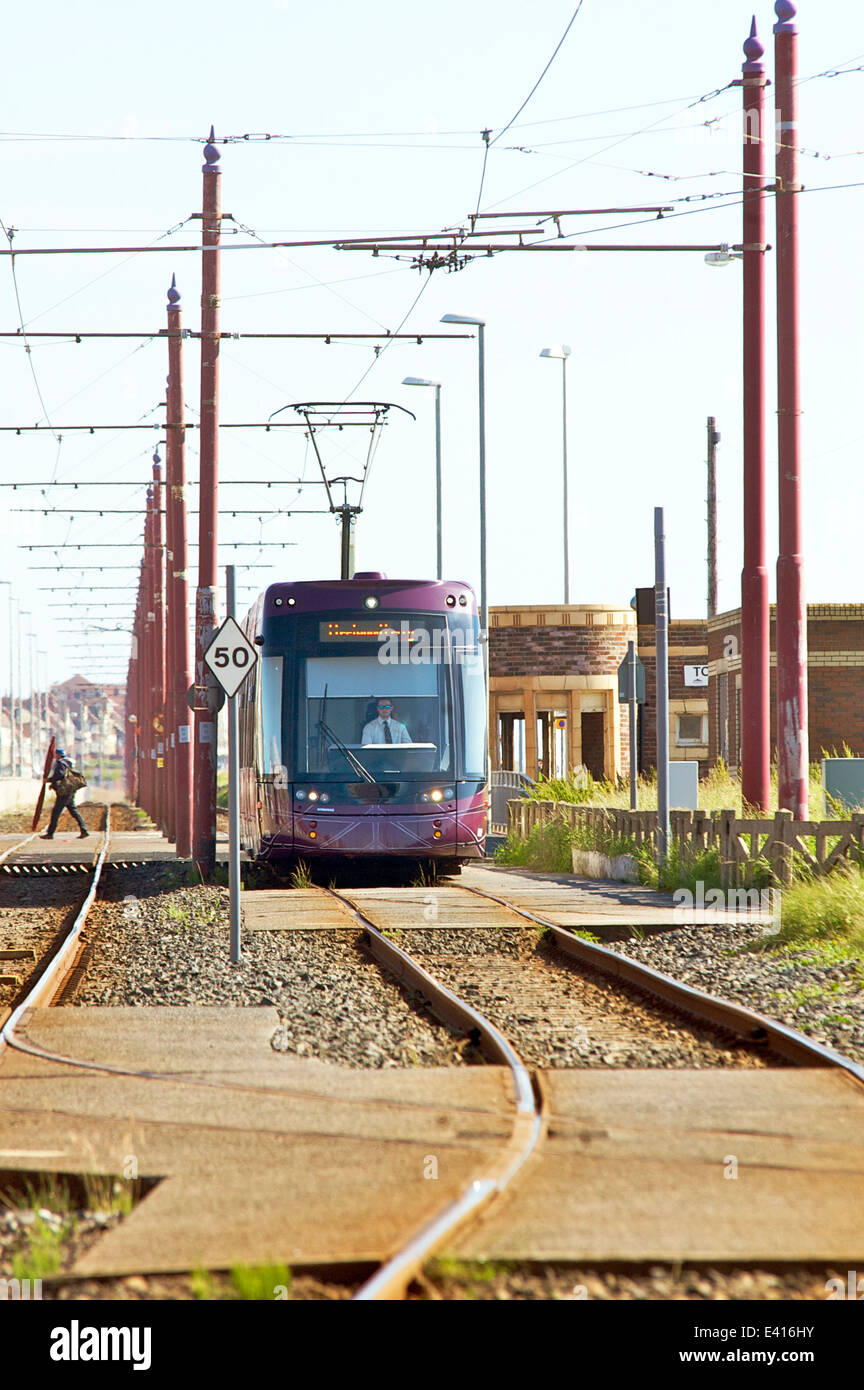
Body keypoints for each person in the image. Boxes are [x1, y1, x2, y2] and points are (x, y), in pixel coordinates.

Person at [41, 747, 89, 839]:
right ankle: (84, 830)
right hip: (70, 790)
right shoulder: (68, 762)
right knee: (73, 810)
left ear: (58, 755)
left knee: (56, 812)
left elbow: (60, 775)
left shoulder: (60, 763)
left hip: (64, 792)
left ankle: (50, 834)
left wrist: (49, 780)